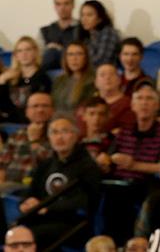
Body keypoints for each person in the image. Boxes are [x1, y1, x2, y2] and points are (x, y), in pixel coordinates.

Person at [18, 115, 101, 248]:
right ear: (49, 138)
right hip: (42, 219)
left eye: (65, 132)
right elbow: (30, 192)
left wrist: (47, 208)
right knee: (14, 232)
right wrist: (25, 203)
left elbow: (85, 201)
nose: (59, 137)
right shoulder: (45, 164)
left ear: (76, 135)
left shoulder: (88, 167)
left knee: (28, 238)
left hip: (73, 223)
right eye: (54, 132)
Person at [0, 38, 51, 124]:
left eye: (28, 50)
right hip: (8, 121)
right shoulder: (9, 78)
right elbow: (3, 105)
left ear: (35, 52)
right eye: (20, 51)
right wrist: (2, 80)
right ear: (16, 55)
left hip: (31, 123)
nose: (24, 54)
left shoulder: (43, 78)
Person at [40, 0, 83, 72]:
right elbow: (37, 54)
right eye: (58, 4)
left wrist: (59, 49)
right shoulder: (45, 30)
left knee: (52, 52)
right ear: (54, 7)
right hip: (48, 69)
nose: (62, 8)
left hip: (75, 67)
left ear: (73, 5)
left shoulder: (82, 28)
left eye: (66, 4)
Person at [50, 41, 93, 115]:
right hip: (58, 118)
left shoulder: (93, 80)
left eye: (79, 54)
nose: (74, 58)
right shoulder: (59, 80)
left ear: (86, 57)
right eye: (70, 54)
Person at [78, 1, 120, 68]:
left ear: (100, 18)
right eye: (82, 15)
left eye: (89, 15)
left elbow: (101, 61)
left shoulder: (108, 33)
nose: (84, 19)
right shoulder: (85, 35)